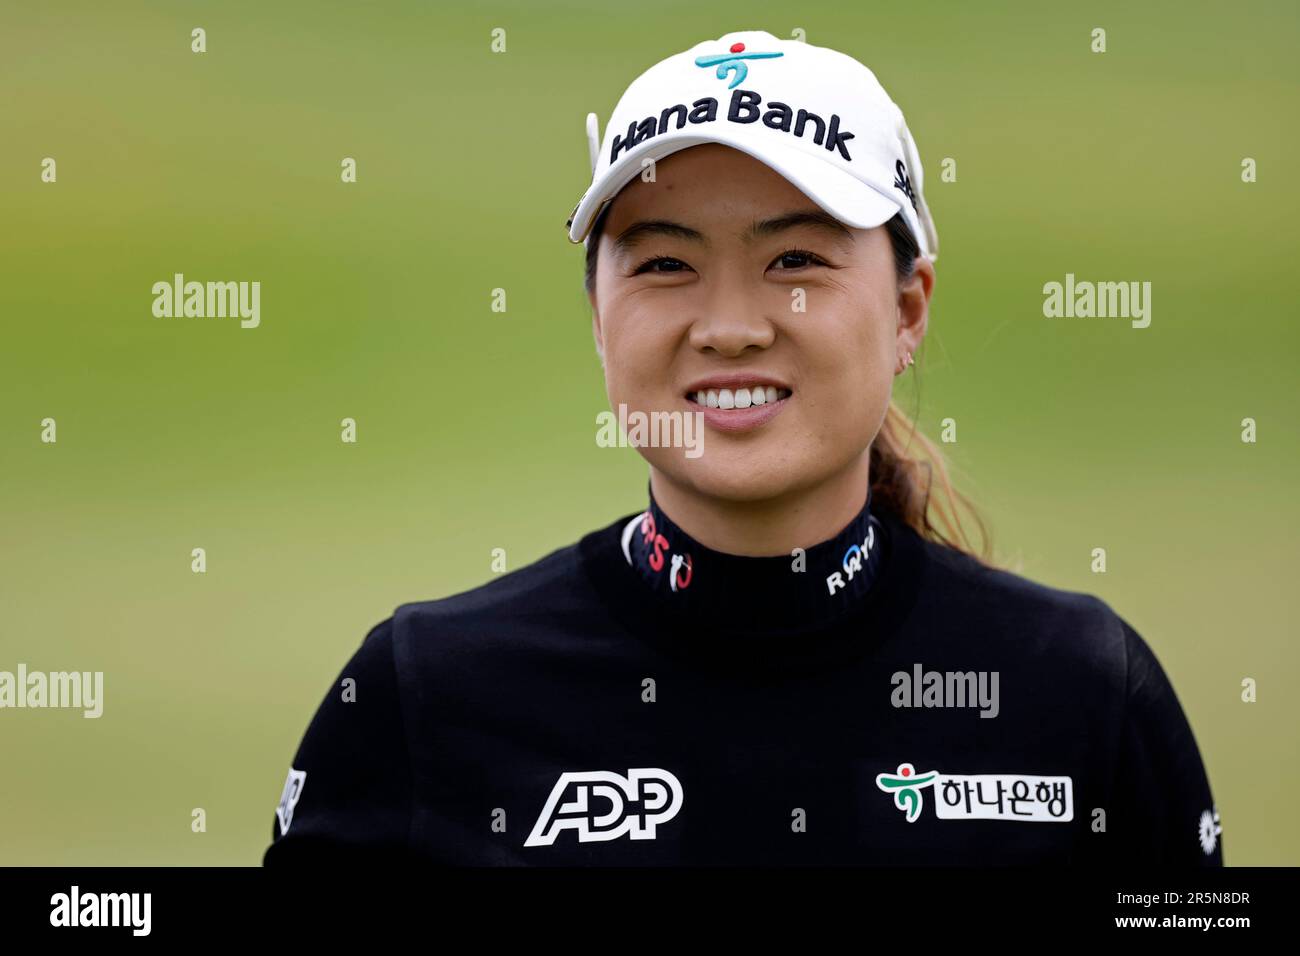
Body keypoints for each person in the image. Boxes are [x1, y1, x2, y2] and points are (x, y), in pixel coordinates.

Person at [263, 29, 1222, 866]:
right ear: (599, 315)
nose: (729, 327)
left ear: (907, 308)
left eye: (795, 260)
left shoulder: (1082, 694)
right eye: (666, 263)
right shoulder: (424, 694)